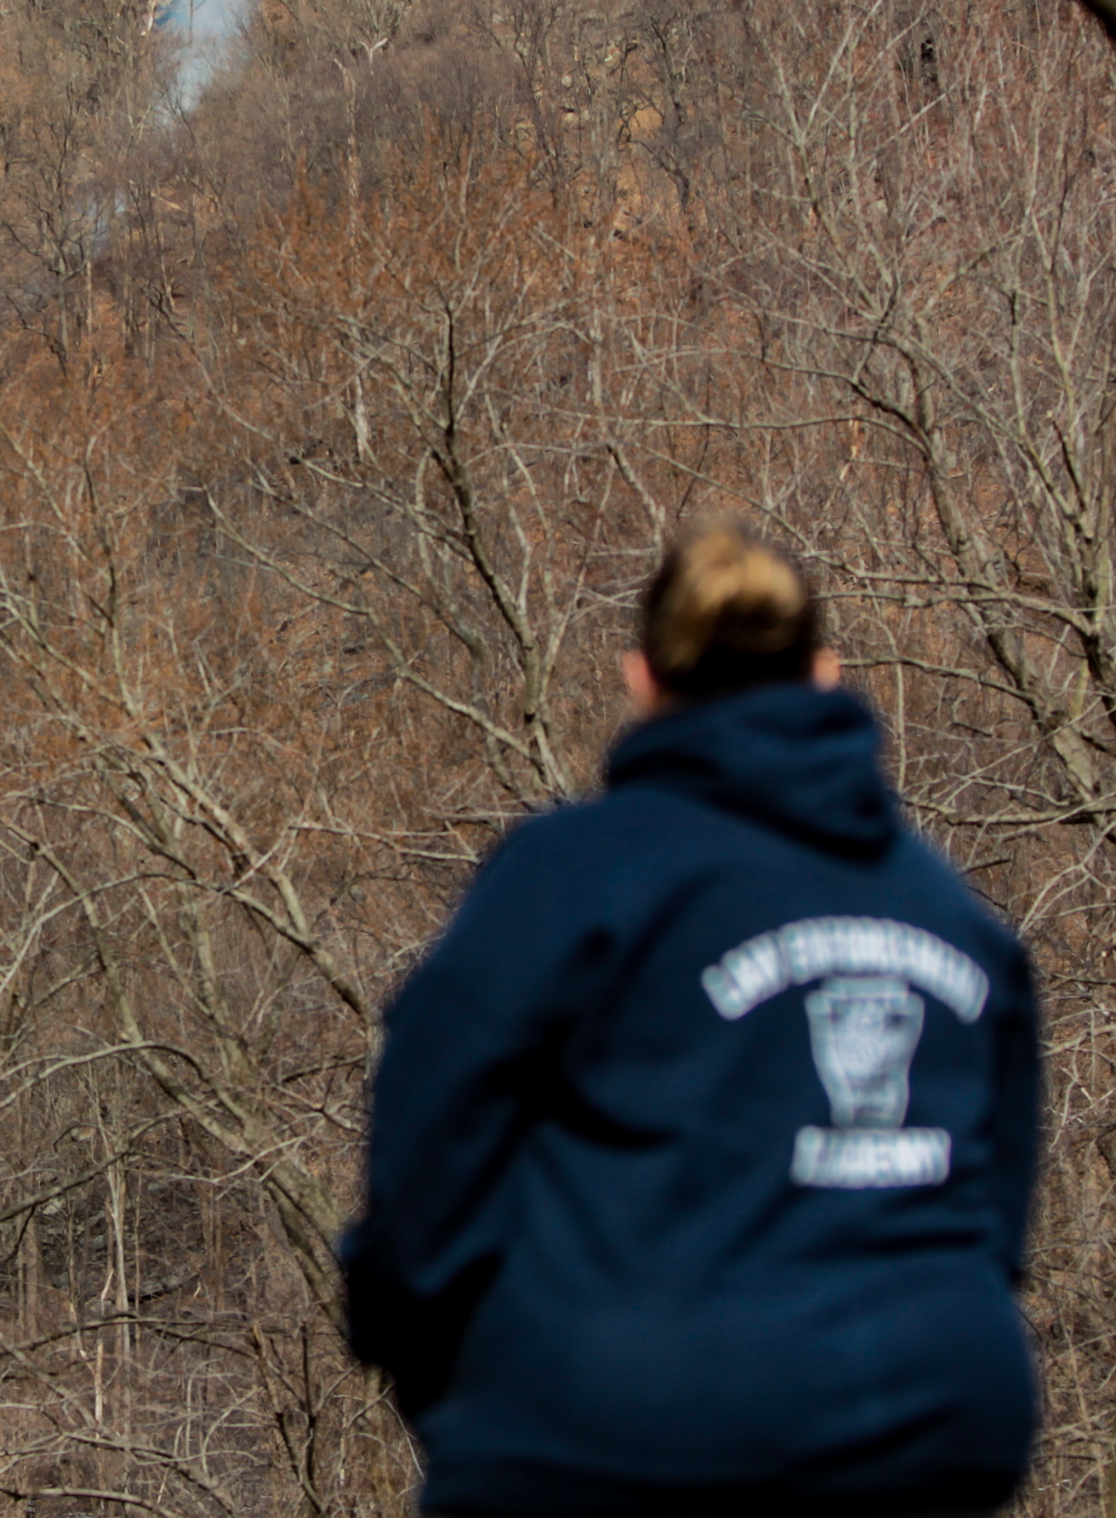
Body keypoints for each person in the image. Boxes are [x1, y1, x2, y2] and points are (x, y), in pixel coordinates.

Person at [342, 524, 1040, 1518]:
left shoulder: (568, 877)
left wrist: (420, 1352)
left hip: (637, 1430)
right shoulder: (952, 913)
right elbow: (993, 1220)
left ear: (641, 678)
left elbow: (425, 1162)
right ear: (827, 673)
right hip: (935, 1422)